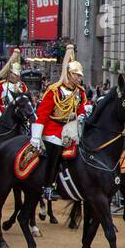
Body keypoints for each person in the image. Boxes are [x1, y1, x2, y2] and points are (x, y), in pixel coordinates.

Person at [31, 44, 89, 201]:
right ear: (69, 74)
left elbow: (82, 109)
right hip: (53, 128)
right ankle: (48, 186)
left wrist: (83, 115)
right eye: (77, 75)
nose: (80, 78)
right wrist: (36, 136)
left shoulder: (80, 92)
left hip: (72, 128)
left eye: (80, 75)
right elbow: (43, 113)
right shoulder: (54, 90)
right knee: (56, 150)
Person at [0, 48, 26, 118]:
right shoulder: (0, 85)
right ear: (9, 74)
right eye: (15, 74)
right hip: (4, 114)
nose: (17, 77)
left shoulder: (22, 85)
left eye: (18, 75)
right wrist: (0, 117)